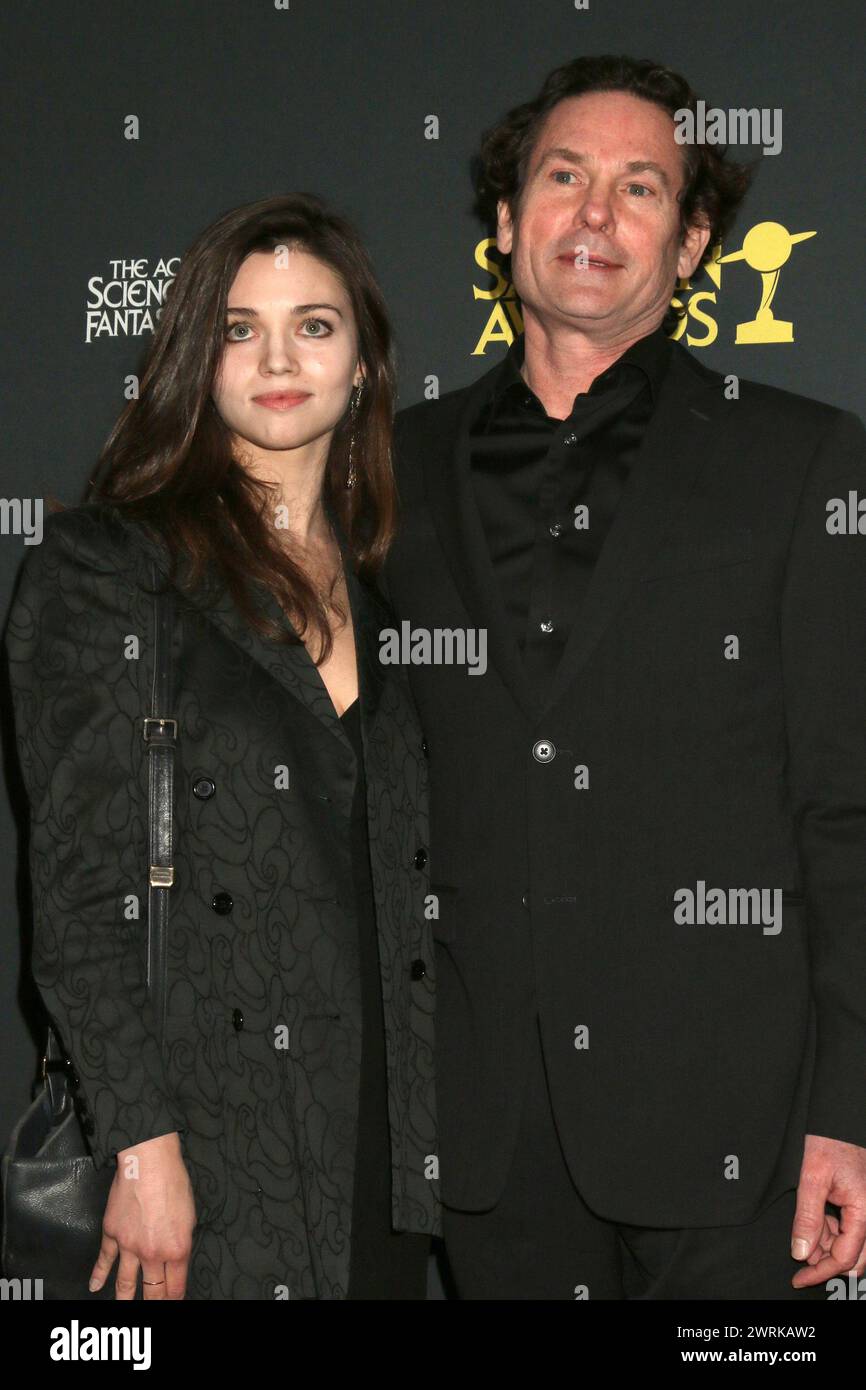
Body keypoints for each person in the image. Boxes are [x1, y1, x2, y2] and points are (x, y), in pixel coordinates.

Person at [382, 55, 866, 1299]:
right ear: (504, 221)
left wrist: (849, 1109)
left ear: (692, 242)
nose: (594, 216)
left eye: (639, 188)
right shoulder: (383, 471)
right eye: (562, 177)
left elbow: (842, 806)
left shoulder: (800, 460)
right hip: (486, 1125)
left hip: (738, 1131)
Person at [5, 193, 439, 1300]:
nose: (279, 356)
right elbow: (78, 888)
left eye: (315, 324)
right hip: (198, 1139)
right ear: (197, 360)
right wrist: (143, 1152)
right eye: (241, 328)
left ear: (363, 367)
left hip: (380, 1145)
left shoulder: (396, 606)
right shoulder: (109, 569)